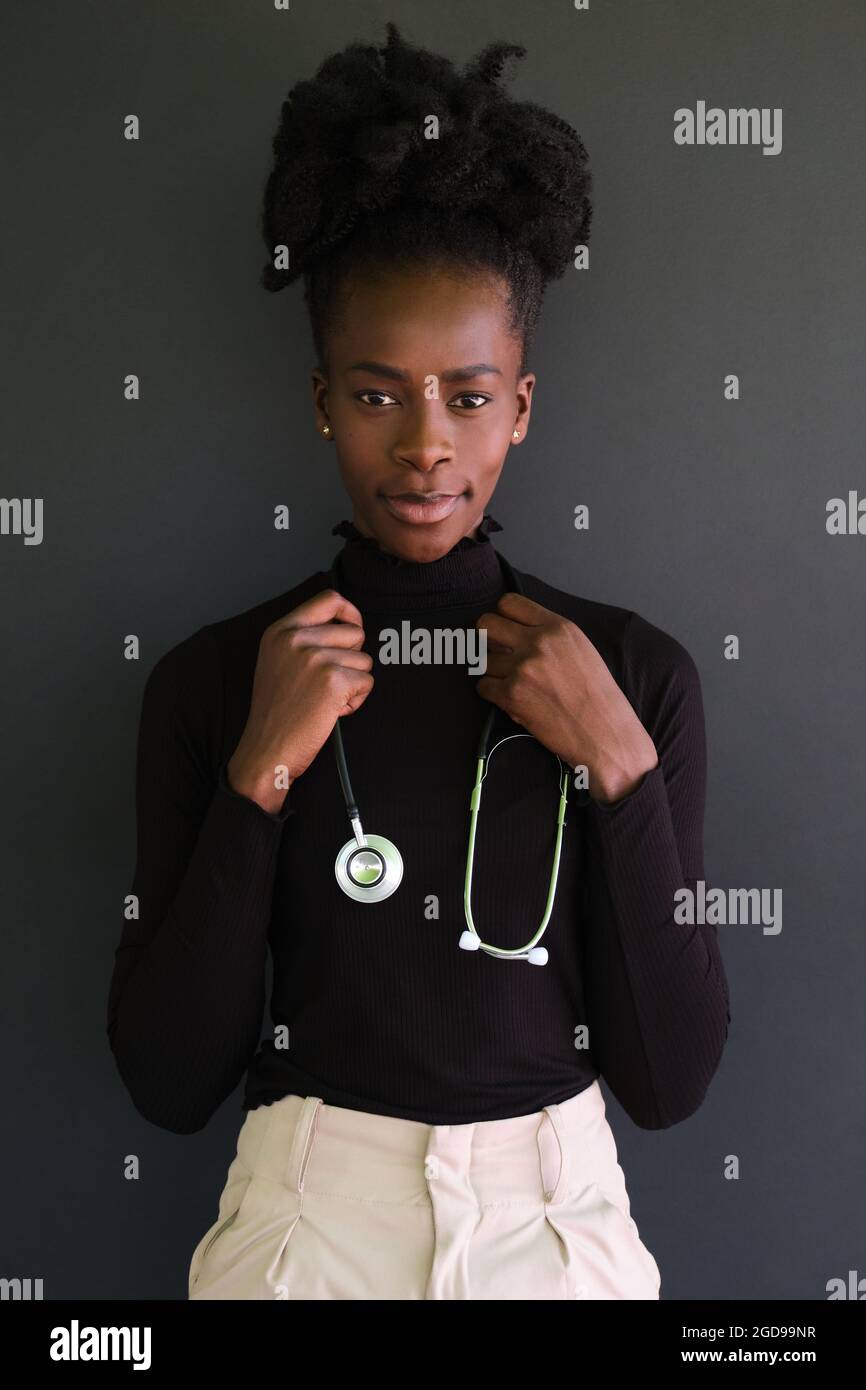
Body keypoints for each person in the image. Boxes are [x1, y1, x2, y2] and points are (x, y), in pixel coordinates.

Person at [106, 22, 731, 1301]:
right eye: (380, 394)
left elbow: (668, 1084)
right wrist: (258, 775)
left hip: (553, 1227)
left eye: (468, 393)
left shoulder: (631, 673)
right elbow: (168, 1083)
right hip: (303, 1231)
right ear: (322, 398)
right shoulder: (218, 678)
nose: (426, 446)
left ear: (521, 404)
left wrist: (620, 768)